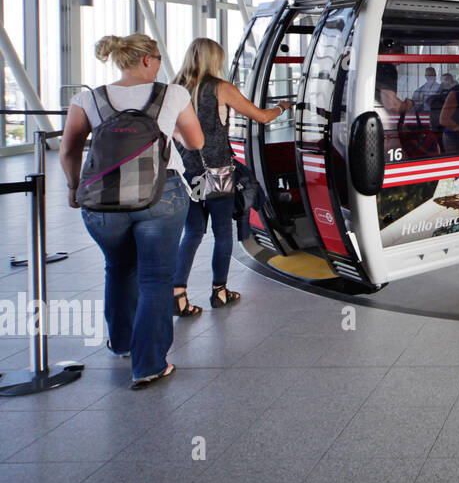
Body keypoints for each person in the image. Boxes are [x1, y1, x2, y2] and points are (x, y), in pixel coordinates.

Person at [59, 34, 204, 389]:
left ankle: (121, 342)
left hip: (103, 203)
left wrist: (73, 186)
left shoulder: (88, 98)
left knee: (119, 268)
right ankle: (149, 365)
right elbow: (196, 141)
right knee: (155, 279)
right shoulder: (173, 94)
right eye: (157, 58)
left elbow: (68, 150)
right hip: (161, 196)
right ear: (146, 61)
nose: (159, 65)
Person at [172, 38, 292, 316]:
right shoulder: (221, 88)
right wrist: (283, 107)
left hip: (186, 173)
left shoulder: (174, 89)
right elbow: (261, 117)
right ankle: (220, 292)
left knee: (192, 232)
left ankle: (178, 295)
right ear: (215, 60)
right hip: (218, 172)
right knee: (222, 231)